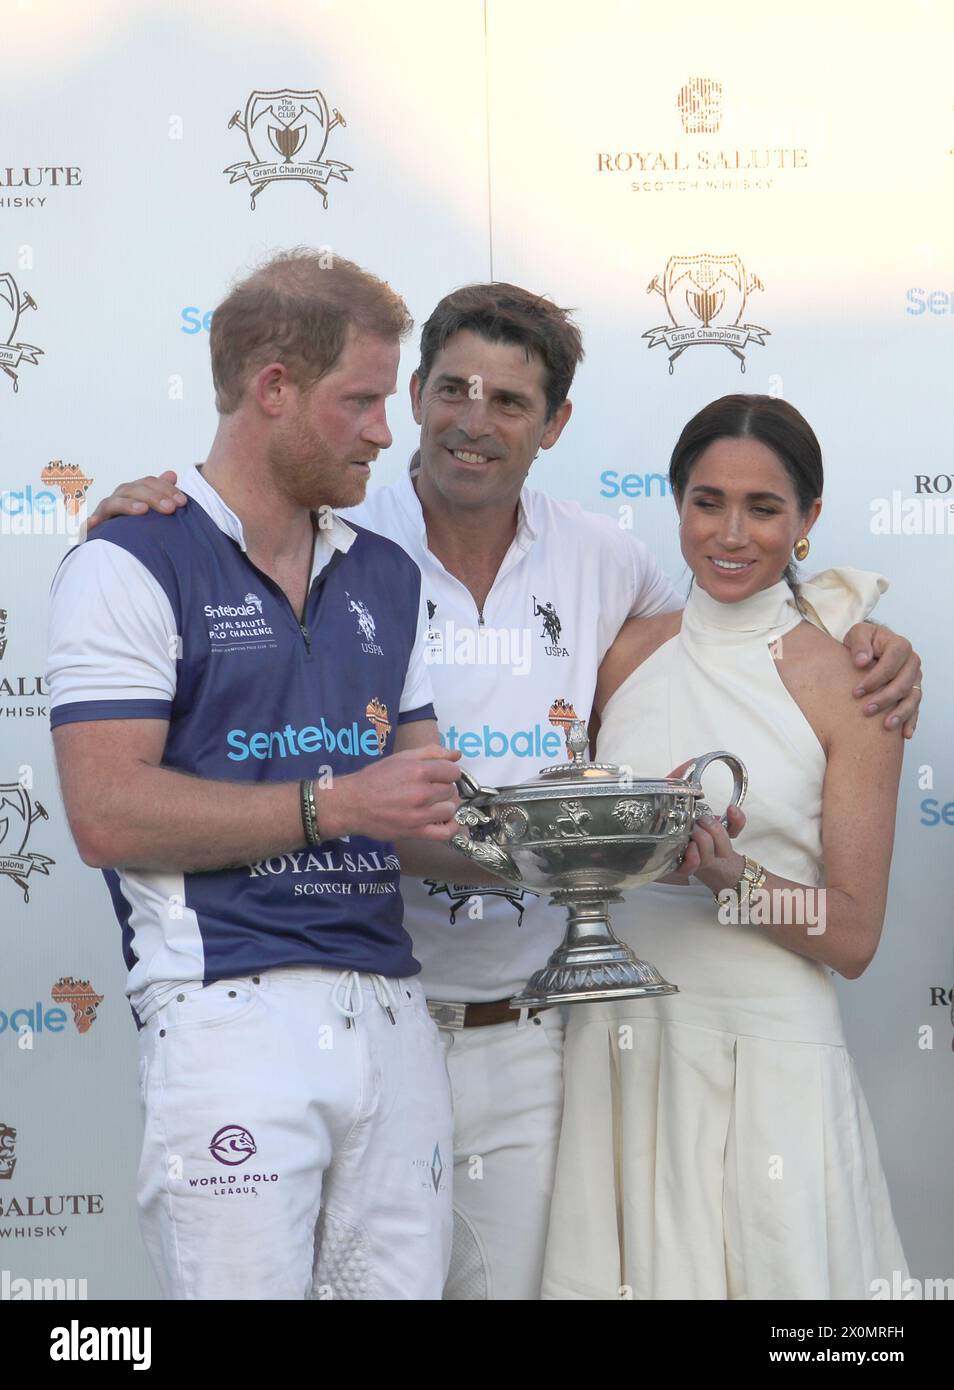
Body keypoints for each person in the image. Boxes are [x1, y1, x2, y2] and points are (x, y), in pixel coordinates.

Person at [87, 284, 923, 1301]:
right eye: (449, 389)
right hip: (405, 1016)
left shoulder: (614, 572)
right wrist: (144, 516)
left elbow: (838, 903)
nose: (473, 421)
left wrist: (861, 638)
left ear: (556, 425)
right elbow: (228, 529)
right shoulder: (348, 539)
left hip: (557, 1044)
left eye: (511, 402)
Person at [47, 251, 465, 1301]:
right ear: (274, 387)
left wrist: (587, 845)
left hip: (393, 1011)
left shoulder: (386, 571)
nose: (386, 430)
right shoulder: (129, 559)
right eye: (361, 400)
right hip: (229, 1008)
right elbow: (105, 813)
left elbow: (418, 810)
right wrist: (334, 805)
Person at [542, 395, 910, 1300]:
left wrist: (726, 876)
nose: (731, 533)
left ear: (809, 519)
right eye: (707, 502)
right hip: (621, 1040)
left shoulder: (851, 685)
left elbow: (854, 939)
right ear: (675, 506)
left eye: (764, 508)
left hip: (770, 1054)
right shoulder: (620, 658)